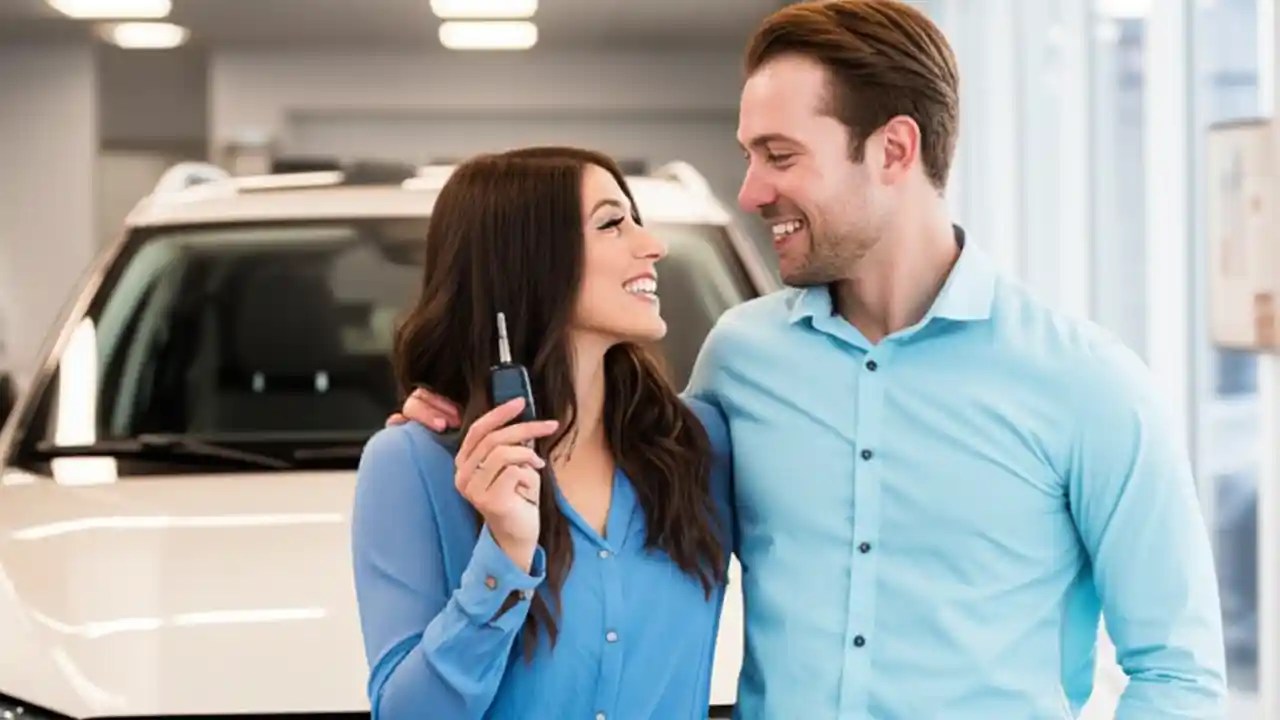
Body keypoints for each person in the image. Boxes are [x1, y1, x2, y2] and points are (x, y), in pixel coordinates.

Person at [395, 0, 1229, 718]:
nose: (752, 190)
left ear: (895, 151)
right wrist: (455, 414)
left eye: (780, 155)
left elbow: (1179, 672)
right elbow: (624, 512)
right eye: (752, 153)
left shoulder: (1086, 383)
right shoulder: (740, 360)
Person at [352, 147, 735, 720]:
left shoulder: (703, 444)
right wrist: (504, 551)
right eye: (612, 224)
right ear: (529, 259)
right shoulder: (411, 465)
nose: (652, 245)